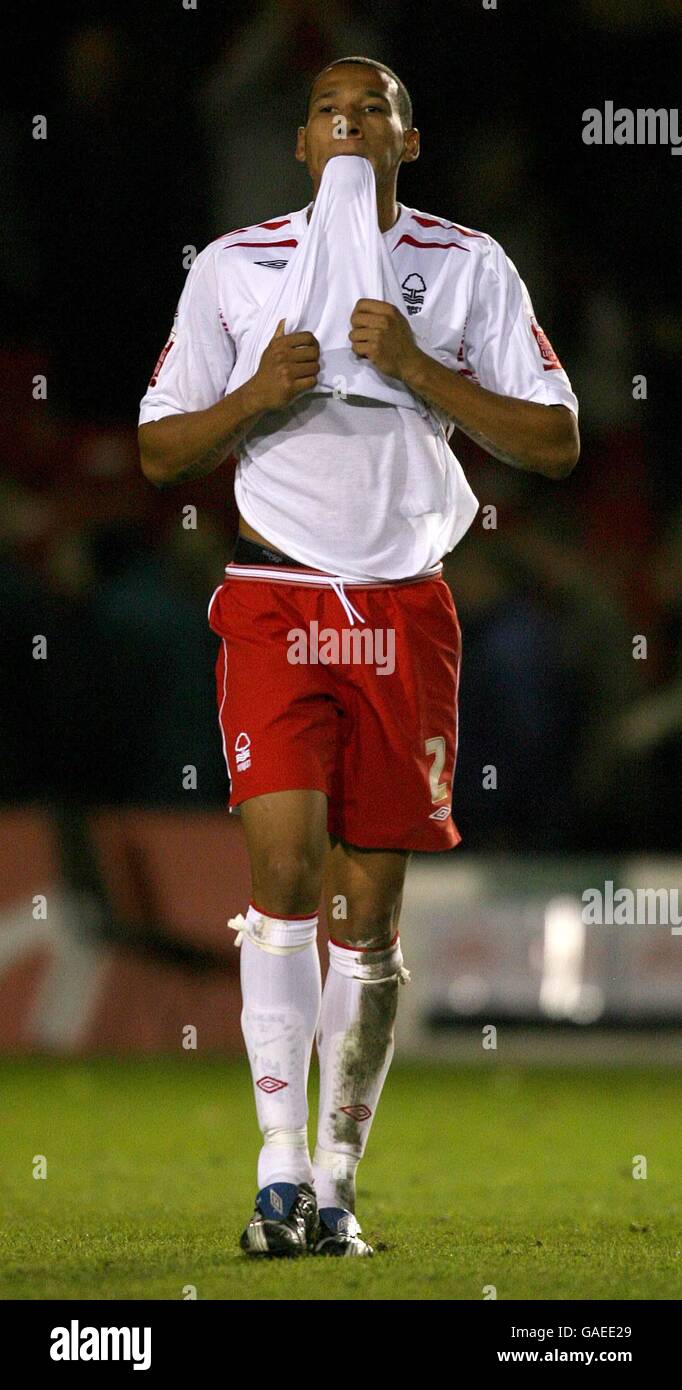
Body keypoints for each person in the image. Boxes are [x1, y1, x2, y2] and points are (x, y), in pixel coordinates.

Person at [138, 57, 579, 1258]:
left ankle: (337, 1181)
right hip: (274, 593)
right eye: (329, 108)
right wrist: (250, 402)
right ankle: (277, 1174)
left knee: (369, 911)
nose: (348, 121)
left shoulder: (466, 265)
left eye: (370, 106)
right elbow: (159, 451)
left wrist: (421, 373)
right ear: (299, 141)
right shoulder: (235, 267)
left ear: (407, 139)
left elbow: (555, 437)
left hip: (402, 606)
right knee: (282, 870)